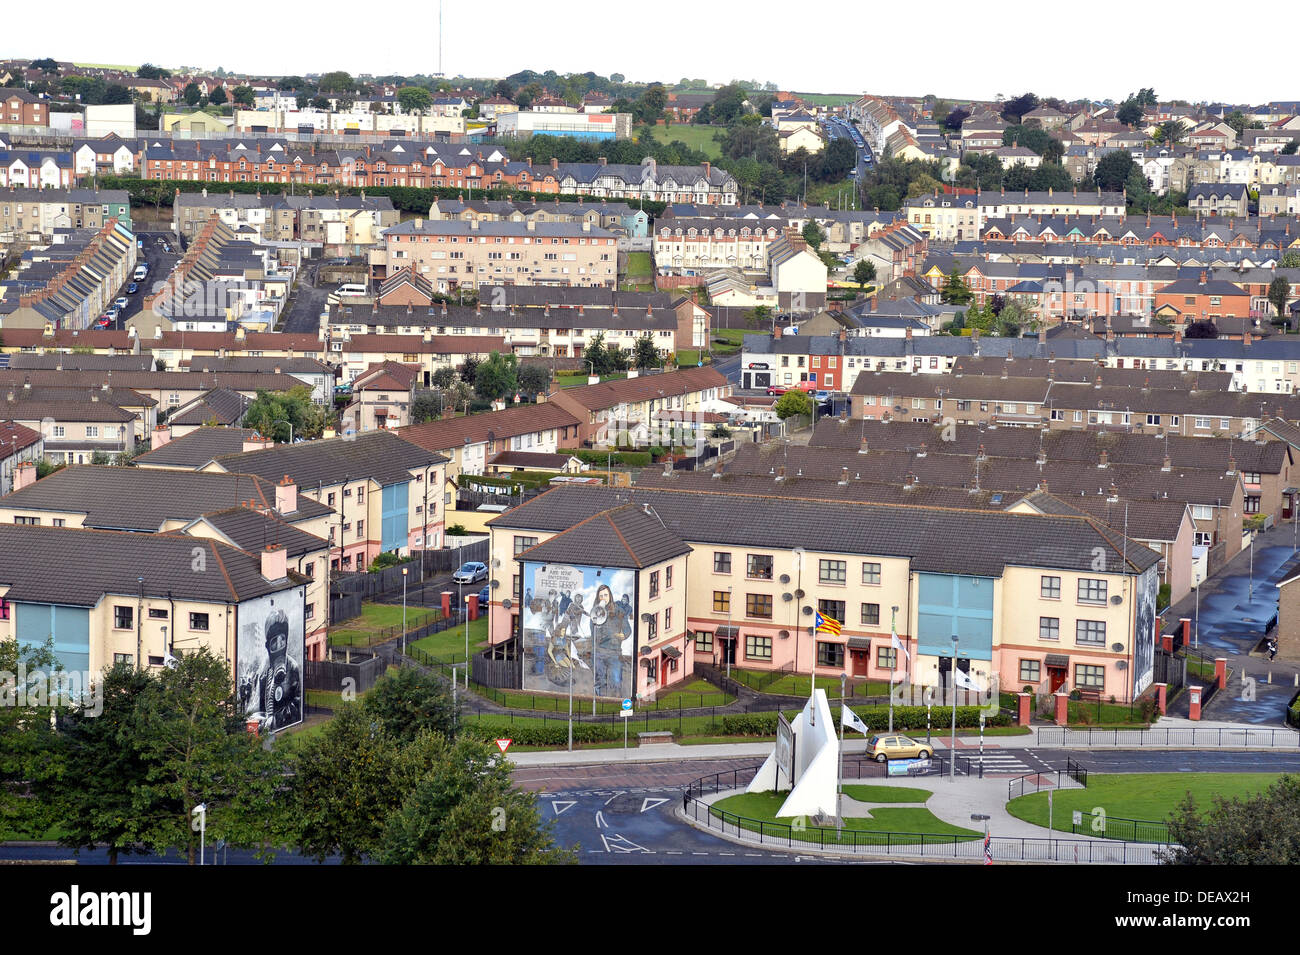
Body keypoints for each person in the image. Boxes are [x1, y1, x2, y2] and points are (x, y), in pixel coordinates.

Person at [245, 608, 301, 733]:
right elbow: (259, 705)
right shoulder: (264, 674)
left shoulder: (292, 667)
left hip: (279, 729)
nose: (280, 645)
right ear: (267, 646)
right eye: (274, 642)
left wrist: (275, 720)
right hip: (266, 729)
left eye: (282, 639)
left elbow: (297, 704)